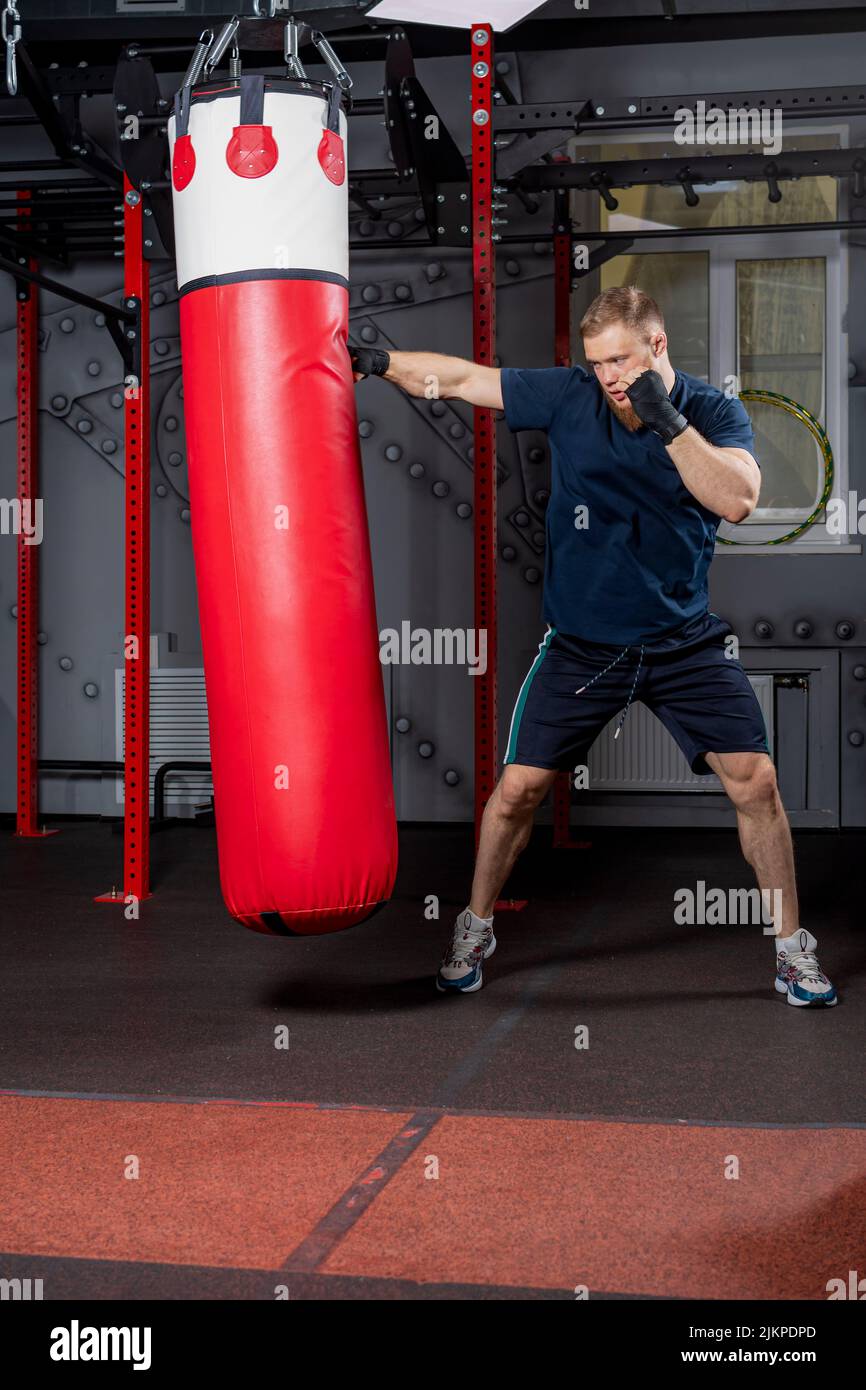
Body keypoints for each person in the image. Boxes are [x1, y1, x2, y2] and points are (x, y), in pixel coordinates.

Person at [350, 286, 837, 1009]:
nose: (608, 376)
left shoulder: (708, 411)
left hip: (684, 645)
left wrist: (668, 425)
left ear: (657, 347)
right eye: (597, 362)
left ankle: (793, 953)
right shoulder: (571, 395)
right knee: (517, 792)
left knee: (757, 781)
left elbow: (735, 498)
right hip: (583, 647)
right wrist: (379, 360)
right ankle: (474, 928)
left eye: (620, 360)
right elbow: (458, 379)